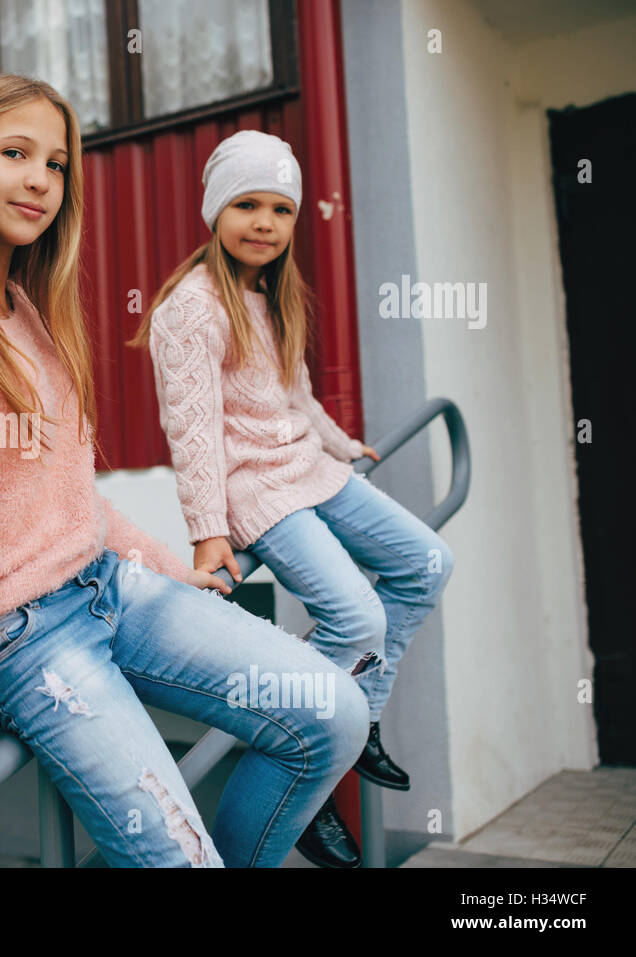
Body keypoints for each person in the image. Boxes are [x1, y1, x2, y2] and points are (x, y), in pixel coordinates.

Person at [0, 76, 368, 867]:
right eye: (13, 154)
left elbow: (70, 501)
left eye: (57, 162)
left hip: (109, 583)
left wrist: (172, 569)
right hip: (29, 637)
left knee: (334, 712)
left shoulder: (23, 307)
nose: (42, 178)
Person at [129, 129, 455, 867]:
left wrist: (342, 444)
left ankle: (358, 715)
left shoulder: (269, 294)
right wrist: (209, 529)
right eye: (247, 204)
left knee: (427, 560)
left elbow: (294, 394)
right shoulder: (193, 309)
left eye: (281, 208)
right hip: (257, 491)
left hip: (312, 468)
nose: (266, 223)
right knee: (355, 615)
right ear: (216, 211)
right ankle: (311, 753)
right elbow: (193, 431)